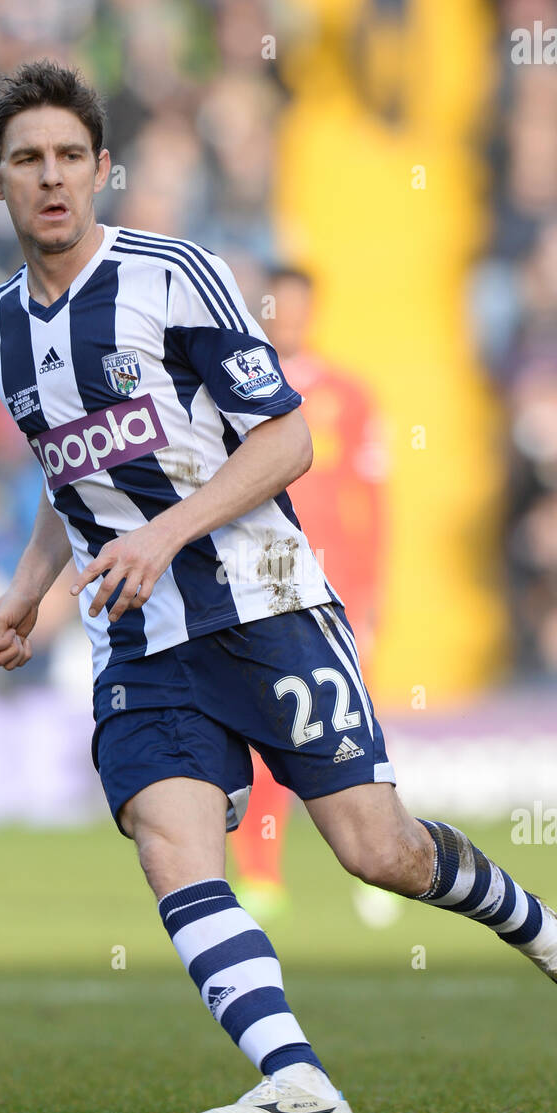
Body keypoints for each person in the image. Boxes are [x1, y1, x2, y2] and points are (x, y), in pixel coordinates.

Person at [0, 61, 557, 1113]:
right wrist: (25, 588)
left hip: (264, 603)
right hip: (140, 635)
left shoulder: (173, 275)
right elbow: (70, 472)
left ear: (102, 168)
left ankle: (541, 929)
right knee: (170, 841)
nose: (49, 180)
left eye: (66, 158)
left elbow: (288, 437)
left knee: (380, 852)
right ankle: (297, 1083)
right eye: (25, 162)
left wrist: (166, 531)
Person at [230, 266, 391, 924]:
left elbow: (376, 499)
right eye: (279, 306)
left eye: (300, 306)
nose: (289, 318)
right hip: (263, 581)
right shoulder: (235, 390)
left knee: (352, 731)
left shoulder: (349, 396)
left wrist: (374, 590)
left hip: (338, 589)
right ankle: (261, 874)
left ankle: (380, 863)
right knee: (270, 732)